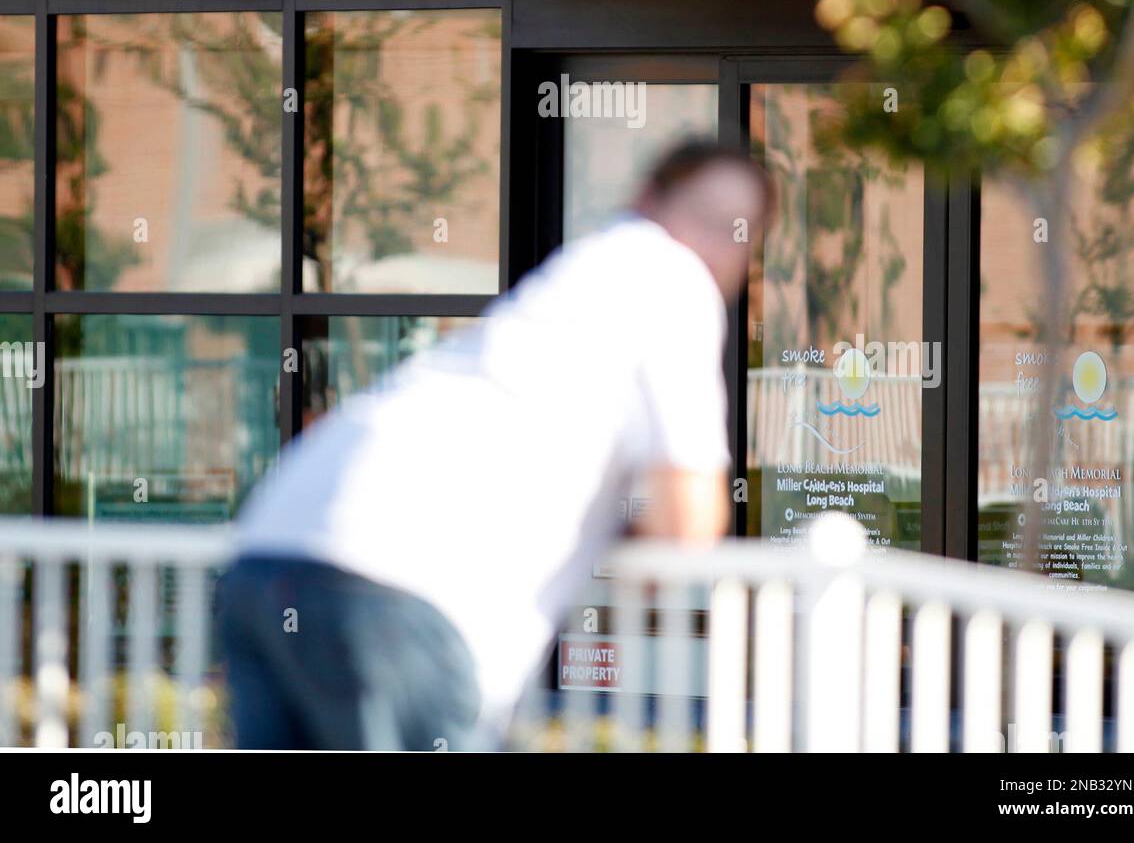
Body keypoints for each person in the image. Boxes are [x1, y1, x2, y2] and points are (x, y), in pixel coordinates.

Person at [217, 139, 773, 750]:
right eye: (706, 218)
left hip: (269, 551)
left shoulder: (566, 285)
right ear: (648, 202)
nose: (717, 245)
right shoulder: (670, 277)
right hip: (396, 589)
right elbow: (688, 521)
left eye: (736, 231)